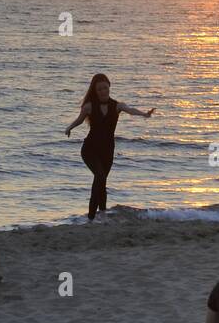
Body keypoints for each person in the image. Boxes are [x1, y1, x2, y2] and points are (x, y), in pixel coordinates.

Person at [63, 74, 154, 222]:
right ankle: (91, 217)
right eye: (99, 89)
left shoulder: (117, 106)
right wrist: (69, 128)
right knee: (99, 177)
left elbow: (130, 110)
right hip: (90, 150)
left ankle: (102, 214)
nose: (103, 91)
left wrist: (145, 114)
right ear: (95, 91)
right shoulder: (89, 106)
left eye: (105, 88)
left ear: (109, 86)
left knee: (102, 181)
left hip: (107, 151)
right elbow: (79, 120)